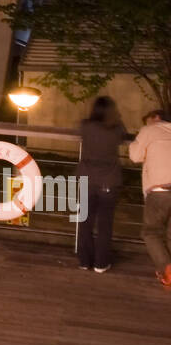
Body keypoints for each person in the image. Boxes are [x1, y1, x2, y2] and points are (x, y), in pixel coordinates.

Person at [76, 96, 127, 273]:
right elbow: (122, 137)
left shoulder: (85, 126)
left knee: (85, 222)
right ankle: (101, 263)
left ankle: (84, 260)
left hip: (86, 179)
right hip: (109, 181)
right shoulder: (116, 129)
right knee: (105, 224)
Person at [129, 110, 171, 287]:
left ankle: (167, 270)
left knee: (151, 232)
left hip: (160, 191)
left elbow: (135, 156)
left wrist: (138, 141)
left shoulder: (150, 130)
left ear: (156, 118)